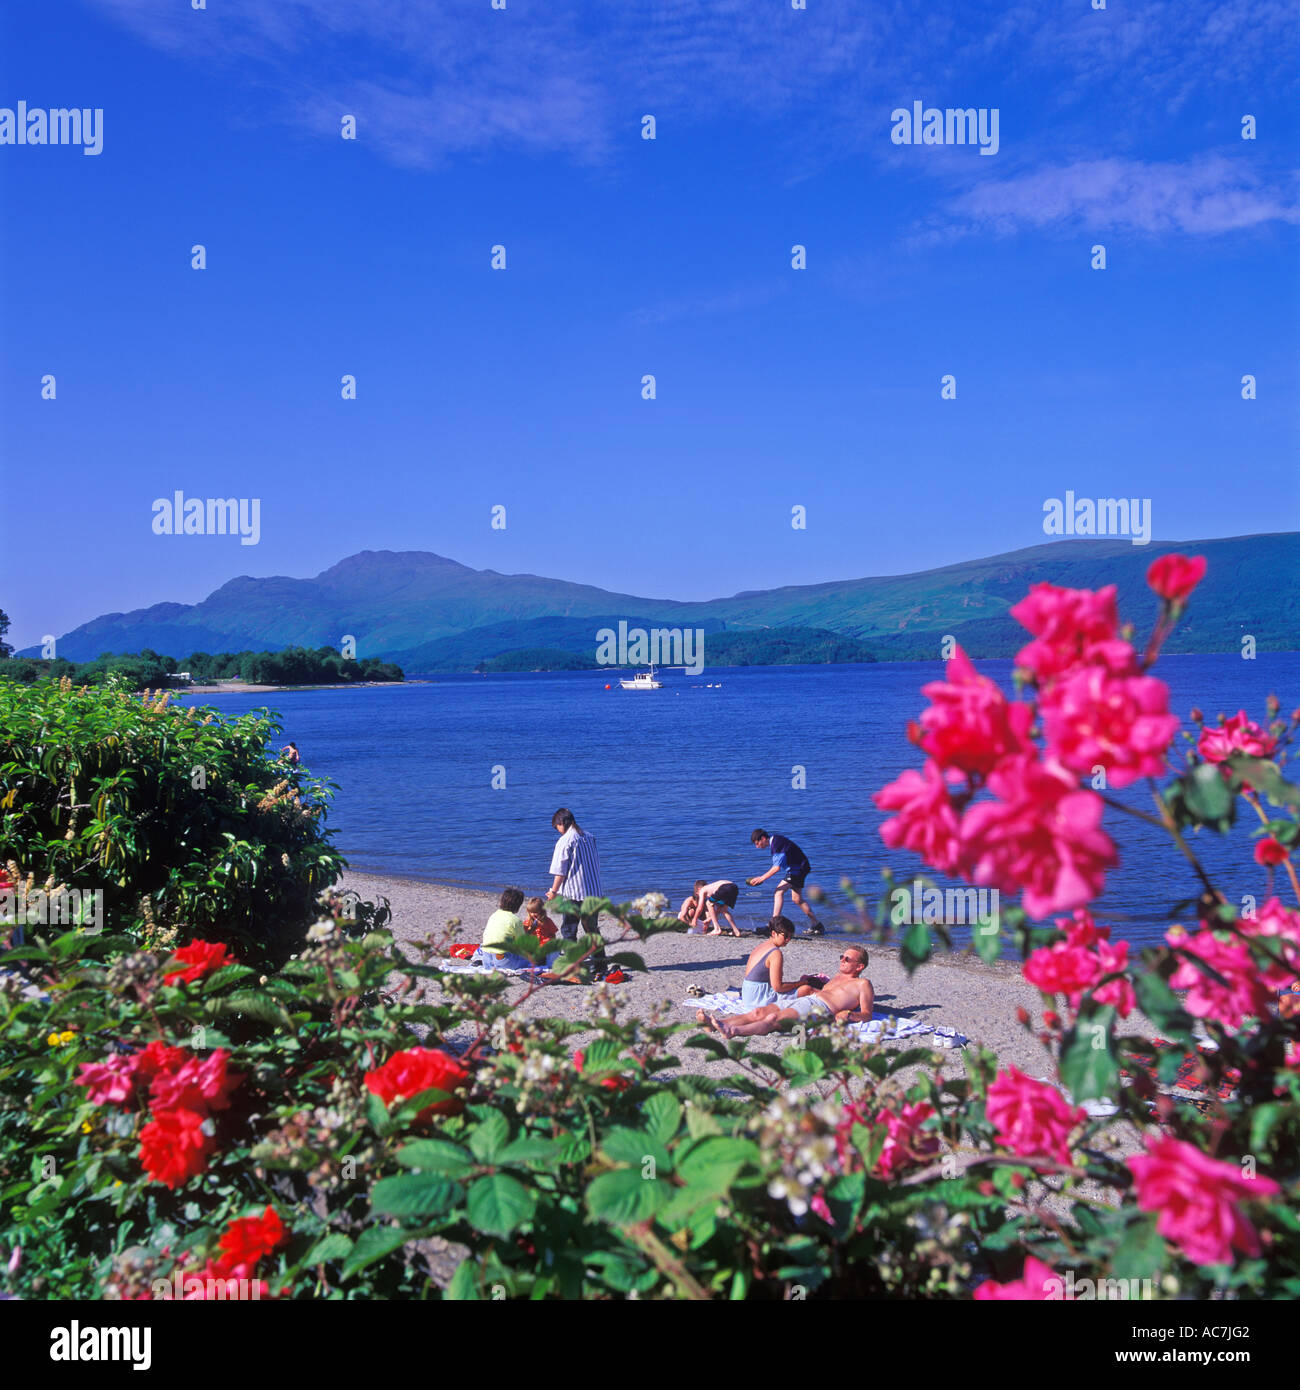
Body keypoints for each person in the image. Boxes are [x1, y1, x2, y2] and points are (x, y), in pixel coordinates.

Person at [698, 944, 873, 1038]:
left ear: (859, 966)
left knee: (773, 1019)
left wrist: (851, 1016)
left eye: (847, 959)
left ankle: (733, 1031)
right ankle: (717, 1024)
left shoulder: (863, 984)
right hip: (807, 1001)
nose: (842, 960)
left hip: (820, 1009)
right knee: (759, 1012)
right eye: (841, 957)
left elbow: (867, 1013)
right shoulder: (836, 976)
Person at [545, 808, 606, 965]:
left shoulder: (565, 841)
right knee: (592, 929)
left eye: (556, 827)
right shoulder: (589, 837)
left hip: (574, 893)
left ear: (561, 823)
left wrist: (553, 891)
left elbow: (560, 872)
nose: (557, 830)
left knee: (569, 929)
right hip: (593, 891)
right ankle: (600, 962)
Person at [747, 828, 825, 934]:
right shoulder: (776, 842)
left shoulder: (776, 844)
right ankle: (817, 925)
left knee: (778, 892)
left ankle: (772, 925)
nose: (757, 847)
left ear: (763, 838)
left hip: (798, 869)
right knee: (797, 899)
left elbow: (776, 868)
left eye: (757, 843)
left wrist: (761, 878)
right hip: (799, 868)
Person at [739, 916, 811, 1008]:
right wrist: (801, 983)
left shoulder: (762, 946)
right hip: (758, 998)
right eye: (785, 936)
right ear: (773, 933)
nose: (788, 939)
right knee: (807, 990)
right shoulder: (775, 953)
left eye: (791, 936)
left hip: (748, 994)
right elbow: (778, 987)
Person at [472, 887, 538, 971]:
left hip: (486, 959)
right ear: (518, 905)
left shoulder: (494, 915)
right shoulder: (515, 921)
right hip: (502, 960)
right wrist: (531, 931)